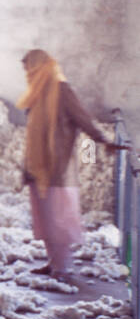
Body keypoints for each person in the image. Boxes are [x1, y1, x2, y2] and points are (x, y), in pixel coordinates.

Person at [18, 49, 129, 281]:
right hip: (37, 167)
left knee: (59, 219)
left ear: (40, 67)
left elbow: (83, 119)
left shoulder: (62, 90)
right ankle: (53, 262)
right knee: (45, 218)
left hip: (56, 168)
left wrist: (103, 140)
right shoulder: (37, 92)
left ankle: (63, 267)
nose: (26, 72)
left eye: (29, 67)